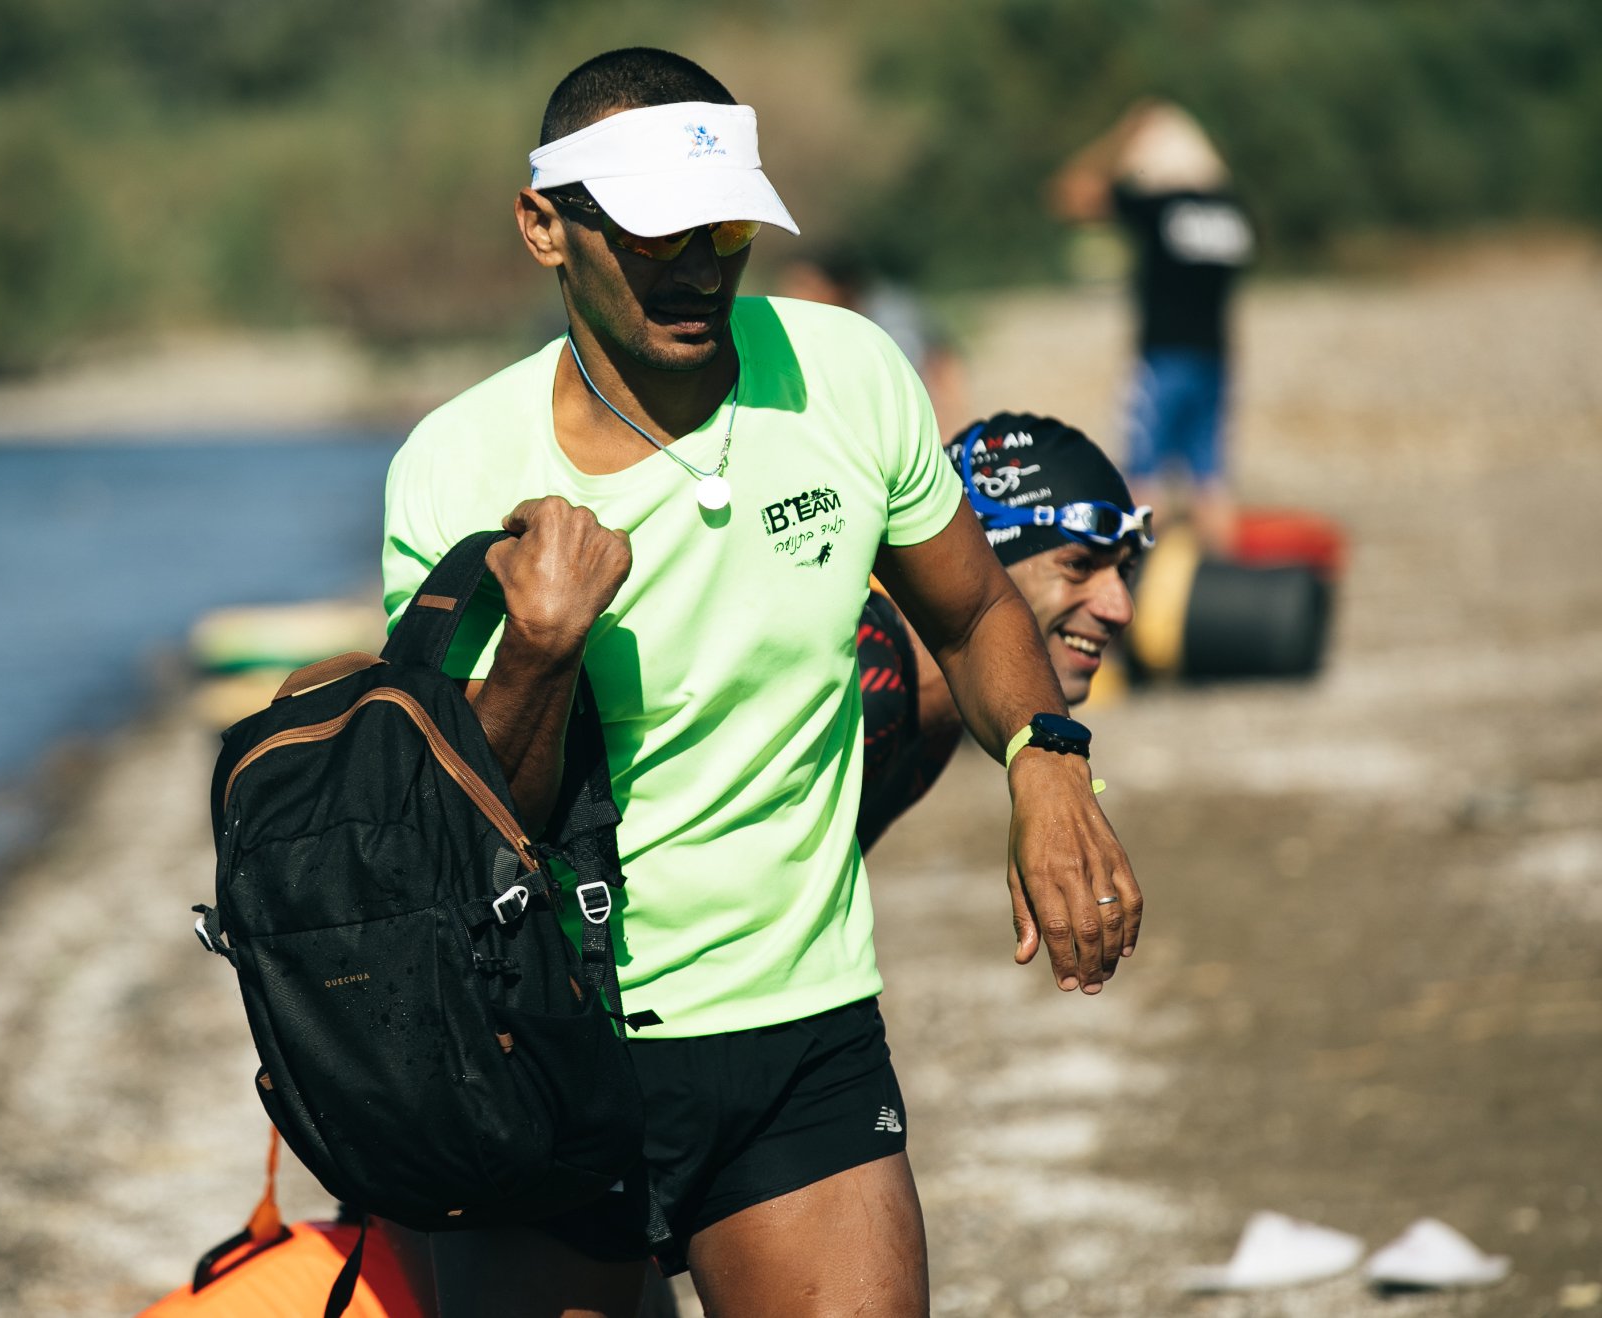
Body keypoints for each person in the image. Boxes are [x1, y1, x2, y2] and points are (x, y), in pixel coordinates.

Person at [380, 48, 1141, 1318]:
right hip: (549, 1045)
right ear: (544, 229)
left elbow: (973, 606)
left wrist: (1047, 762)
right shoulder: (454, 467)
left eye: (726, 226)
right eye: (655, 233)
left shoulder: (846, 373)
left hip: (803, 1036)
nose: (698, 265)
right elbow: (455, 827)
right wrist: (537, 656)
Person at [858, 412, 1150, 852]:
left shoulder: (941, 712)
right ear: (980, 558)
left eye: (1123, 570)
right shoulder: (865, 683)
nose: (1121, 609)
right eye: (1078, 566)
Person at [1049, 100, 1252, 556]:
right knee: (1210, 479)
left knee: (1142, 475)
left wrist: (1118, 139)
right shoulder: (1232, 211)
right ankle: (1220, 583)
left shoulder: (1159, 206)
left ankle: (1134, 580)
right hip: (1216, 358)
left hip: (1163, 355)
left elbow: (1071, 192)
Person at [776, 245, 971, 436]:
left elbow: (941, 368)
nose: (793, 296)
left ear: (840, 286)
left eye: (805, 285)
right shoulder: (821, 325)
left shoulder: (891, 323)